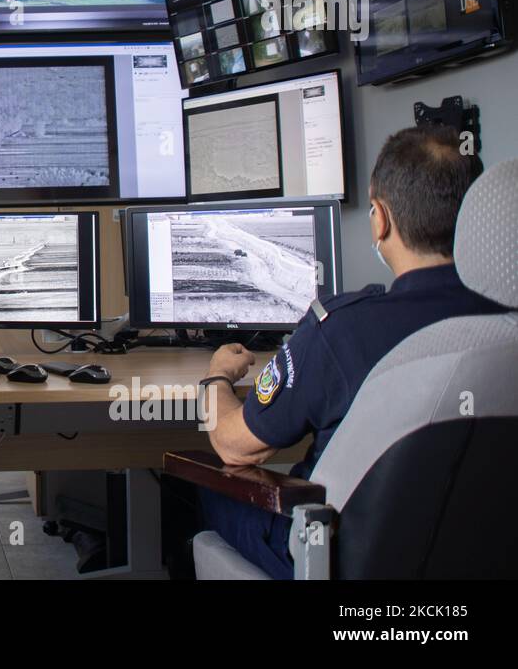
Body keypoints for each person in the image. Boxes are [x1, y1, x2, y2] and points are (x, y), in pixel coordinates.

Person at [193, 125, 506, 578]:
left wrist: (217, 378)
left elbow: (234, 447)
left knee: (203, 487)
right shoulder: (506, 324)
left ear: (380, 219)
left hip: (334, 552)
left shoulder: (340, 330)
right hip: (479, 552)